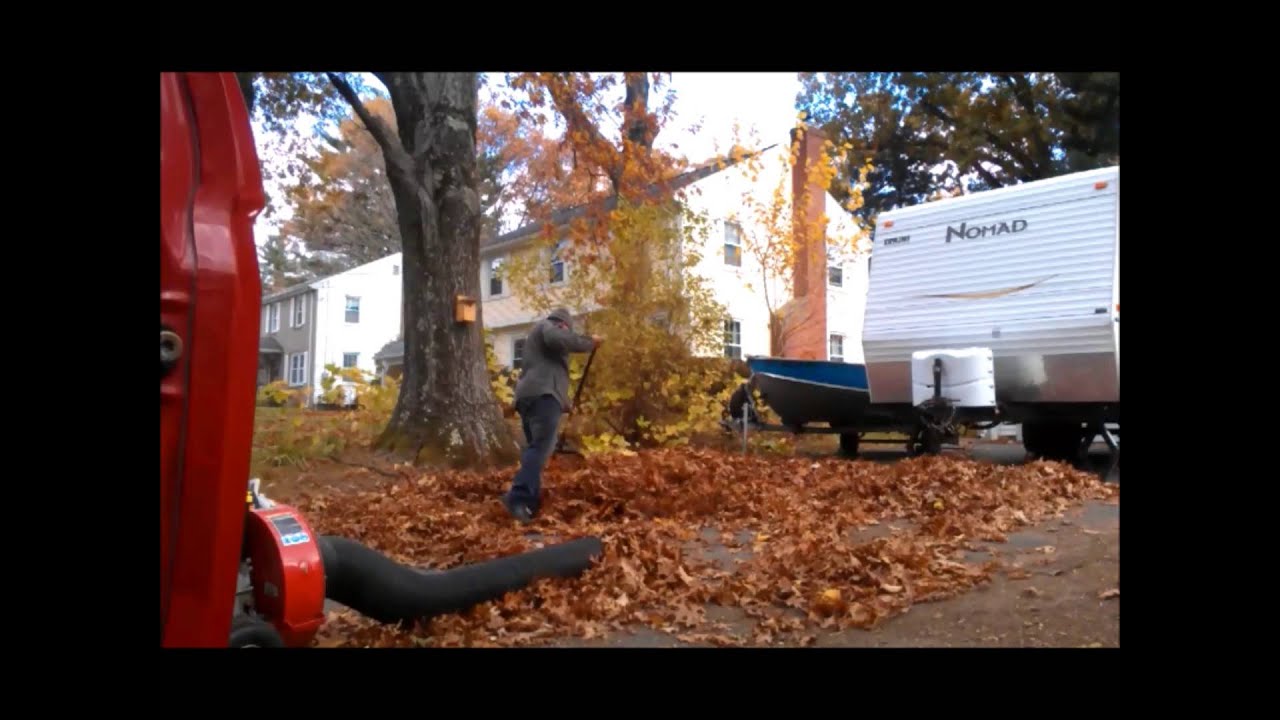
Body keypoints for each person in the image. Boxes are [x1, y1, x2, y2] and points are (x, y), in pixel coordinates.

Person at [500, 307, 601, 523]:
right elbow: (557, 339)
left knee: (535, 449)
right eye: (567, 329)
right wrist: (589, 342)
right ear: (563, 324)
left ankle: (530, 505)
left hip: (528, 398)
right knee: (540, 449)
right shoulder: (550, 327)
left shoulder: (538, 343)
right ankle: (518, 498)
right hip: (542, 397)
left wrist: (564, 403)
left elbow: (547, 373)